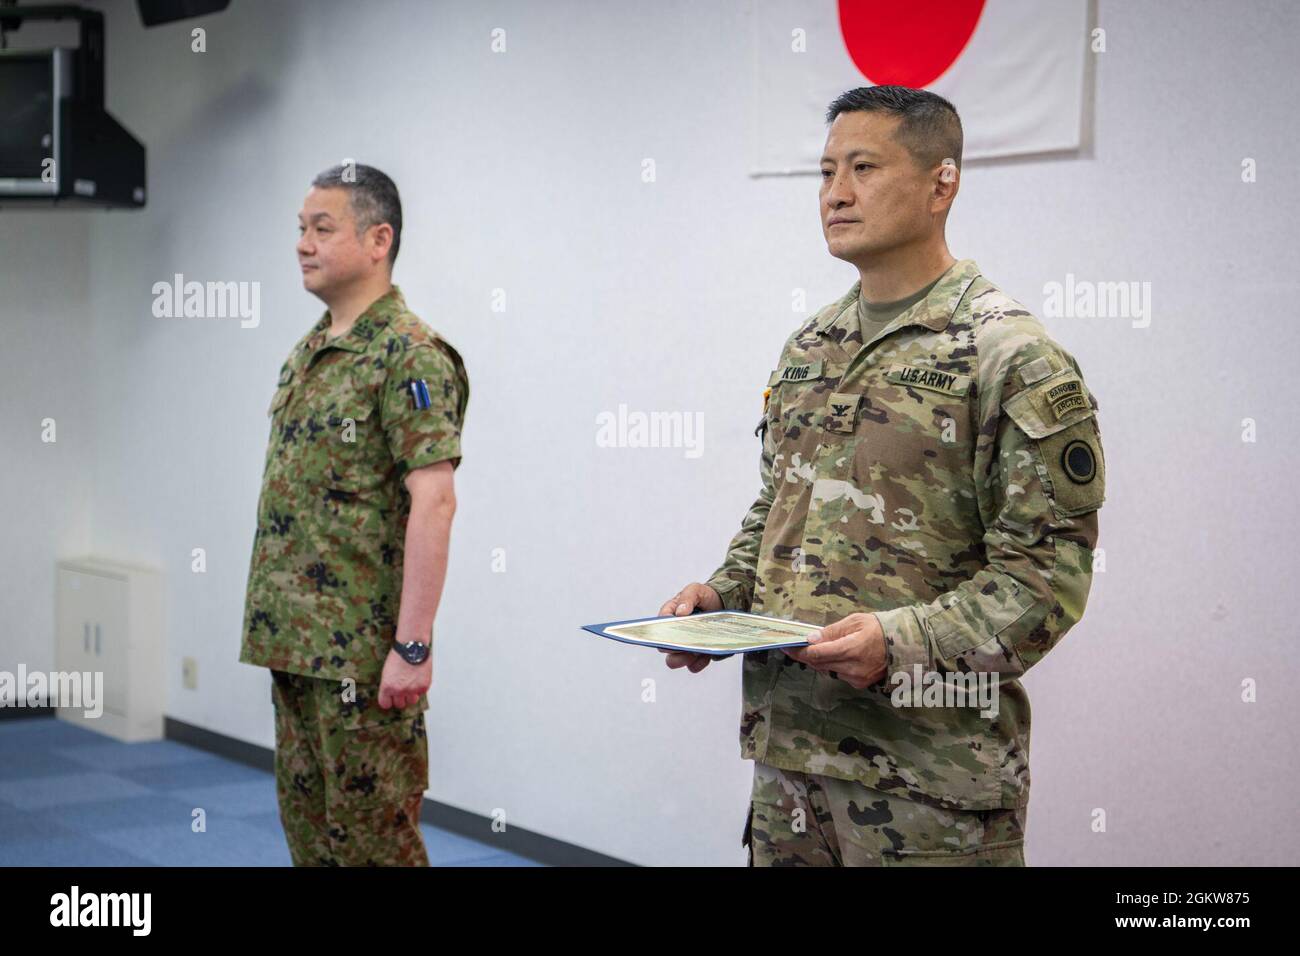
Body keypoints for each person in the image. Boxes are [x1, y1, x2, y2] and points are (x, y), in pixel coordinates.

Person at [659, 86, 1105, 866]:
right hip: (791, 765)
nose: (836, 193)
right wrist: (724, 596)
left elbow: (1047, 579)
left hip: (930, 781)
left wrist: (899, 643)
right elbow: (781, 503)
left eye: (864, 167)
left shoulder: (1010, 355)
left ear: (943, 183)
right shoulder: (812, 343)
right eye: (827, 171)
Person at [239, 163, 468, 866]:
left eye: (322, 227)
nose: (303, 243)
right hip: (296, 644)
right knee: (311, 843)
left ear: (379, 239)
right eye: (300, 229)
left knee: (375, 848)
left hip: (362, 657)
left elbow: (434, 500)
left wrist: (413, 646)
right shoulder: (309, 353)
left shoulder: (409, 354)